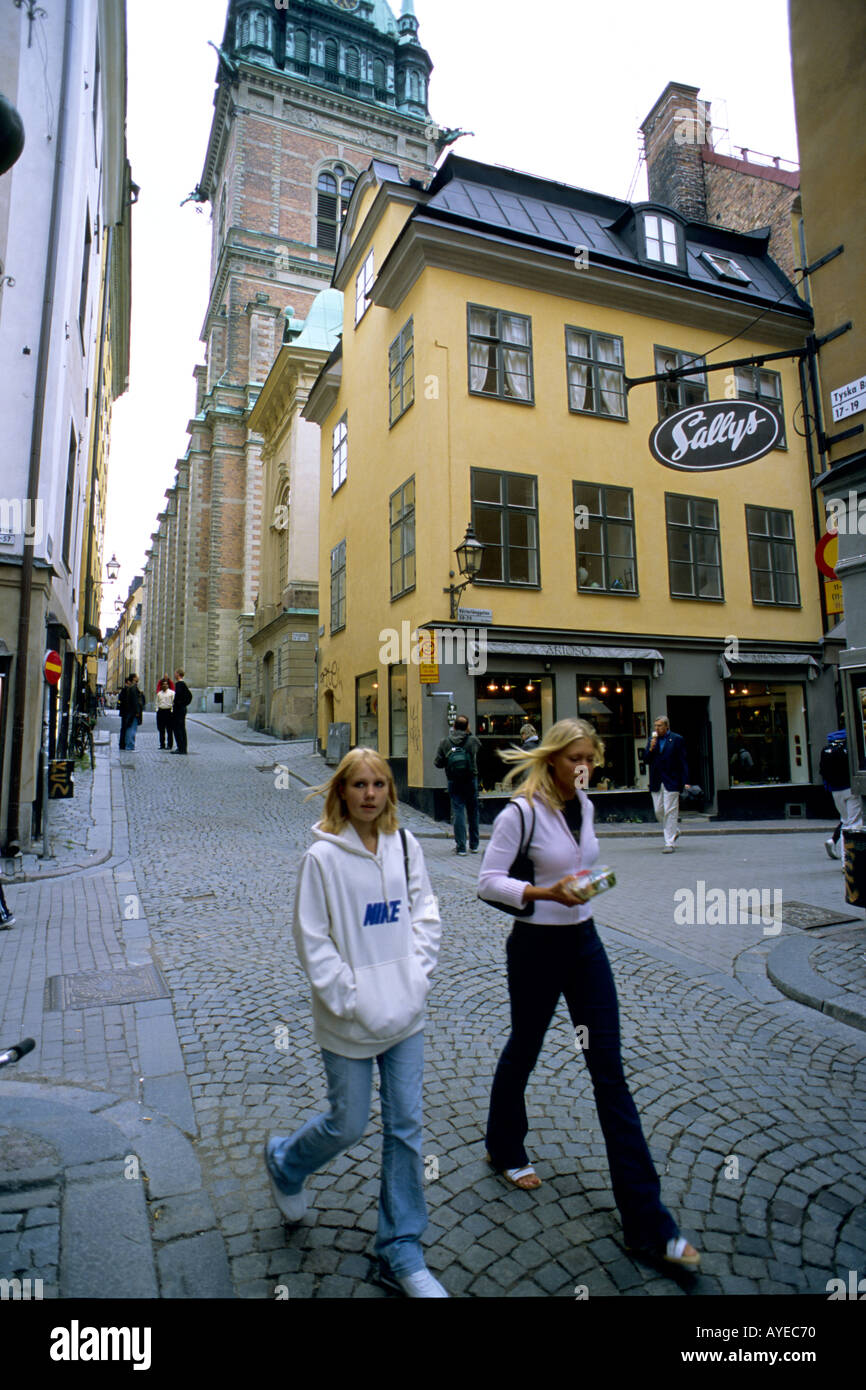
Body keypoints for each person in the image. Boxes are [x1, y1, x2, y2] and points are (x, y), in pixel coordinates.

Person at [478, 717, 700, 1270]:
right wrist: (541, 890)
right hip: (534, 946)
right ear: (551, 757)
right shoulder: (521, 812)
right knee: (524, 1047)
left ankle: (648, 1223)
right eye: (574, 757)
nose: (584, 767)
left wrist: (590, 883)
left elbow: (584, 867)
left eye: (591, 759)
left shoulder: (587, 805)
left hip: (585, 945)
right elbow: (486, 881)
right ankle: (504, 1145)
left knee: (609, 1070)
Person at [264, 748, 446, 1297]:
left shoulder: (407, 847)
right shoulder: (321, 860)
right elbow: (312, 940)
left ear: (391, 791)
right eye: (359, 784)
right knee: (347, 1124)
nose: (370, 794)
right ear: (341, 791)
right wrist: (350, 997)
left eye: (379, 784)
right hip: (348, 1020)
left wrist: (415, 978)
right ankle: (286, 1162)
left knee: (406, 1127)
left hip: (405, 1015)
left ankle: (400, 1248)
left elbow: (426, 914)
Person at [434, 714, 481, 854]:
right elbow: (481, 751)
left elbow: (437, 763)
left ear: (454, 727)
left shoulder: (445, 742)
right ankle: (474, 845)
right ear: (467, 727)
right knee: (473, 812)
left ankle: (461, 847)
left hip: (454, 781)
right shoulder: (472, 740)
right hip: (471, 779)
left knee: (459, 811)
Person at [645, 715, 690, 853]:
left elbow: (682, 761)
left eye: (659, 726)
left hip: (672, 780)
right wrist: (651, 748)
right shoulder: (652, 741)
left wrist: (685, 781)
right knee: (659, 810)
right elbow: (646, 760)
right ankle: (674, 830)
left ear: (666, 726)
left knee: (670, 811)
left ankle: (669, 843)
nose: (657, 729)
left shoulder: (677, 739)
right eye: (655, 726)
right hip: (656, 781)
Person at [820, 728, 862, 865]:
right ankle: (848, 860)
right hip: (850, 789)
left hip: (835, 791)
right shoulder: (849, 749)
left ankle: (843, 856)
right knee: (853, 823)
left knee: (845, 822)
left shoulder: (827, 750)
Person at [118, 674, 144, 750]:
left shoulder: (130, 688)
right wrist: (137, 711)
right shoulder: (133, 688)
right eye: (137, 676)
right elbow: (135, 701)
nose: (138, 677)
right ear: (134, 678)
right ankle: (130, 745)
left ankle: (127, 744)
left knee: (128, 728)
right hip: (132, 712)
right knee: (132, 729)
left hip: (129, 712)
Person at [170, 669, 192, 754]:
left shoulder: (179, 684)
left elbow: (179, 697)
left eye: (175, 673)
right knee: (182, 728)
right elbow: (189, 696)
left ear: (178, 674)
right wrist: (184, 704)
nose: (174, 675)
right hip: (182, 709)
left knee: (177, 728)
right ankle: (183, 748)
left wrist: (179, 704)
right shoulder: (184, 685)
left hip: (178, 710)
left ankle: (181, 748)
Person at [155, 678, 175, 750]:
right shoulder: (159, 694)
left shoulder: (172, 693)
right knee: (161, 729)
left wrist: (172, 711)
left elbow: (173, 702)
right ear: (161, 685)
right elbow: (157, 702)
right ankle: (162, 744)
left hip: (168, 711)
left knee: (169, 729)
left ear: (168, 685)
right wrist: (157, 709)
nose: (164, 685)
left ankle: (169, 745)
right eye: (163, 684)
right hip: (161, 712)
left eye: (166, 684)